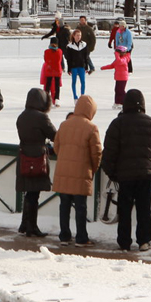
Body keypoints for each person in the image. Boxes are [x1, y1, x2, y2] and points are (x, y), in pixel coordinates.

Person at [101, 88, 151, 252]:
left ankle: (124, 241)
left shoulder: (117, 124)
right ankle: (144, 241)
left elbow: (109, 152)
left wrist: (112, 173)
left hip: (125, 175)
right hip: (146, 174)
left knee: (124, 209)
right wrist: (148, 162)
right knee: (144, 208)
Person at [52, 93, 102, 246]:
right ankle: (81, 237)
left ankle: (64, 236)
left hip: (63, 171)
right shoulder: (92, 128)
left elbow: (56, 147)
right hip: (81, 172)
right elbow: (96, 153)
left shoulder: (64, 124)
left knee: (64, 206)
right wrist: (92, 169)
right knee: (81, 208)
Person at [15, 87, 55, 237]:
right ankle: (32, 227)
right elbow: (54, 135)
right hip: (37, 157)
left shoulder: (22, 116)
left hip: (24, 156)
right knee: (34, 194)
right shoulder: (41, 117)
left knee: (29, 192)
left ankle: (25, 224)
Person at [64, 31, 88, 99]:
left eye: (80, 35)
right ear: (74, 36)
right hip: (74, 66)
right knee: (74, 81)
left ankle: (82, 96)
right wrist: (69, 69)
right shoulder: (70, 46)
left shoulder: (84, 44)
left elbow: (86, 57)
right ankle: (75, 97)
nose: (78, 37)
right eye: (77, 35)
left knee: (83, 81)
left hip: (81, 66)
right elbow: (68, 59)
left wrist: (86, 67)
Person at [41, 38, 64, 106]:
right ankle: (57, 99)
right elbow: (60, 60)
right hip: (57, 70)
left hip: (49, 70)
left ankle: (46, 100)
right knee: (57, 86)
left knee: (48, 85)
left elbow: (45, 60)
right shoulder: (59, 51)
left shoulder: (46, 51)